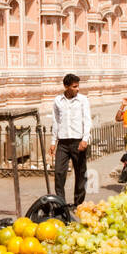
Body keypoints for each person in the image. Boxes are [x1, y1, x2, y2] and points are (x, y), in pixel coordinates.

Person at [51, 73, 91, 208]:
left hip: (77, 141)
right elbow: (56, 121)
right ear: (66, 86)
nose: (77, 89)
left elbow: (87, 120)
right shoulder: (58, 101)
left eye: (78, 86)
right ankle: (60, 203)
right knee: (59, 172)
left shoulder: (83, 100)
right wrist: (53, 141)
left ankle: (78, 203)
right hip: (63, 142)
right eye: (74, 86)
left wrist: (85, 139)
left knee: (80, 173)